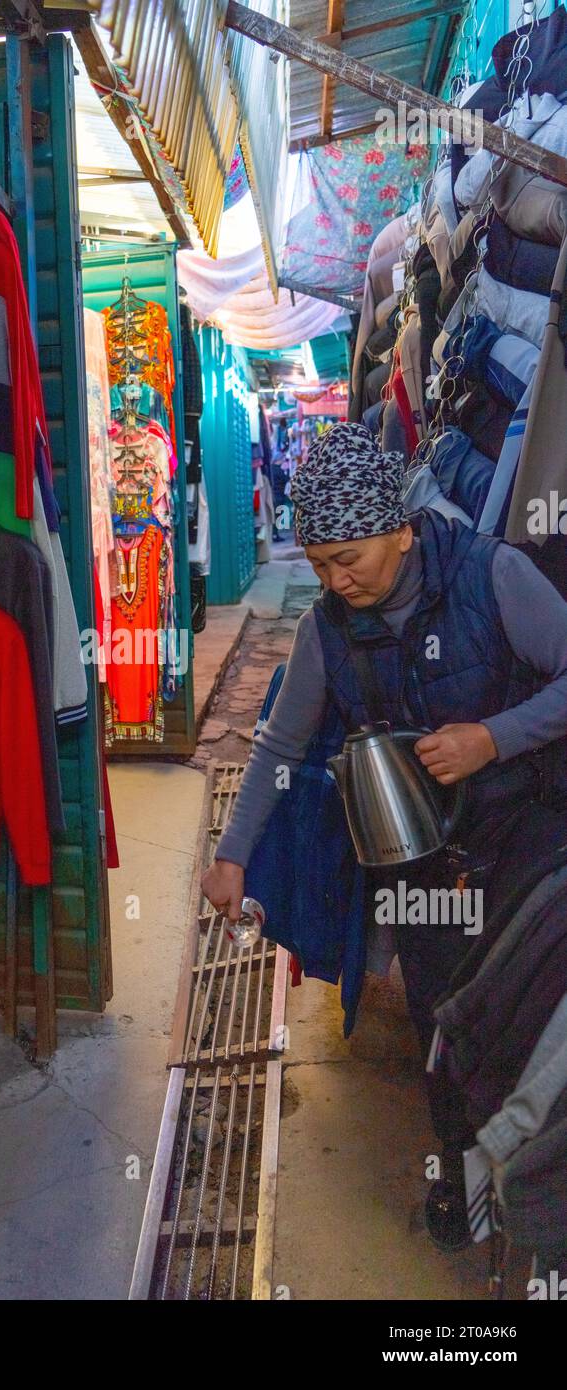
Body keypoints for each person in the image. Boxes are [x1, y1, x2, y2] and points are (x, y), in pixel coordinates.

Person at [202, 422, 567, 1250]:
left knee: (531, 1017)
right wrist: (230, 853)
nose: (335, 581)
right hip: (423, 867)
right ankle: (466, 1176)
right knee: (449, 1027)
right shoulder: (326, 631)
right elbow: (281, 748)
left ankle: (537, 1185)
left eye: (350, 560)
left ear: (401, 529)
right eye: (320, 563)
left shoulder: (493, 575)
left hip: (530, 847)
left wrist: (493, 736)